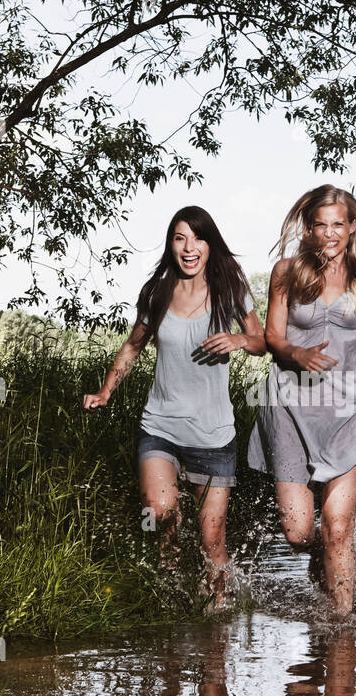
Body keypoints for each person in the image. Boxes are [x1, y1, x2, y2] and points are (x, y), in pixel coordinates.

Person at [84, 207, 265, 606]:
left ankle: (217, 618)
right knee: (161, 511)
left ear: (209, 245)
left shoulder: (230, 289)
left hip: (213, 435)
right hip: (161, 426)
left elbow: (261, 341)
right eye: (180, 238)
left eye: (197, 238)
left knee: (211, 542)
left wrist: (237, 340)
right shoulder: (157, 292)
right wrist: (106, 391)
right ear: (171, 245)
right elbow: (133, 345)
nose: (189, 247)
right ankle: (171, 600)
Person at [247, 184, 356, 615]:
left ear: (352, 226)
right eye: (321, 225)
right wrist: (297, 353)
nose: (330, 234)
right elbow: (272, 336)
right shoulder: (286, 272)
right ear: (308, 229)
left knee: (337, 528)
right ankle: (319, 559)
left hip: (350, 412)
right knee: (297, 532)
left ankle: (341, 631)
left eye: (338, 224)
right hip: (290, 408)